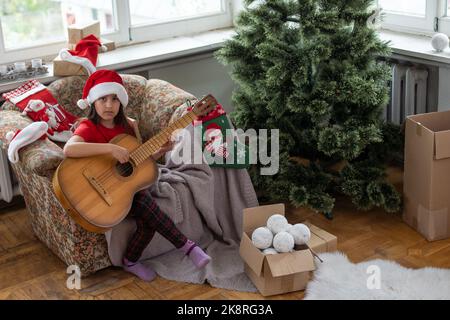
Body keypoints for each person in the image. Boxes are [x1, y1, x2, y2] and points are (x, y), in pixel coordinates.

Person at [63, 69, 211, 281]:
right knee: (144, 203)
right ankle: (188, 247)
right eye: (103, 99)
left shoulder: (128, 126)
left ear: (121, 102)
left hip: (125, 191)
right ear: (93, 101)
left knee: (147, 216)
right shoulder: (88, 127)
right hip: (102, 194)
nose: (108, 105)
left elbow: (135, 160)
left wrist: (160, 151)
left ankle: (131, 261)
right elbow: (69, 150)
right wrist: (110, 149)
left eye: (114, 99)